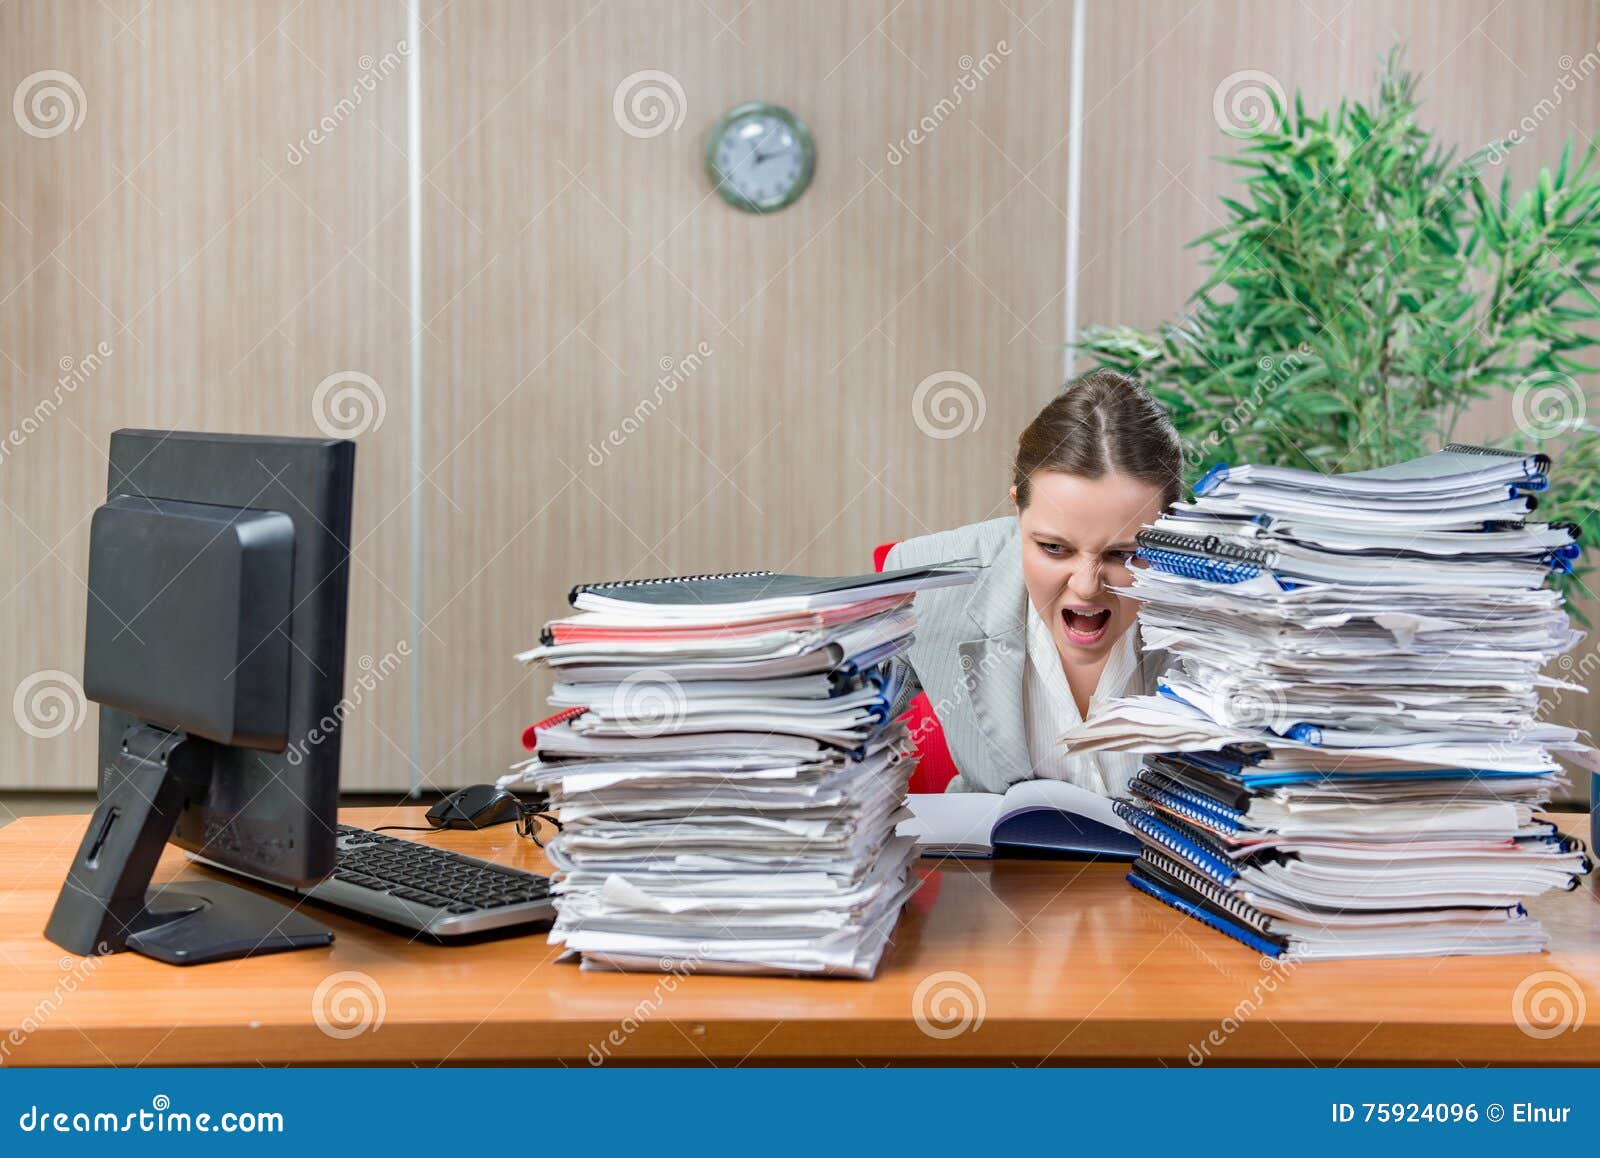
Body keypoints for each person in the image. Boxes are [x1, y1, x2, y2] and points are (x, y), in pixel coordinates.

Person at [885, 368, 1184, 795]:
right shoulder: (929, 581)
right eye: (1054, 548)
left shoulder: (1236, 608)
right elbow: (827, 740)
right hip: (992, 862)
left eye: (1122, 554)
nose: (1086, 586)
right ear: (1018, 511)